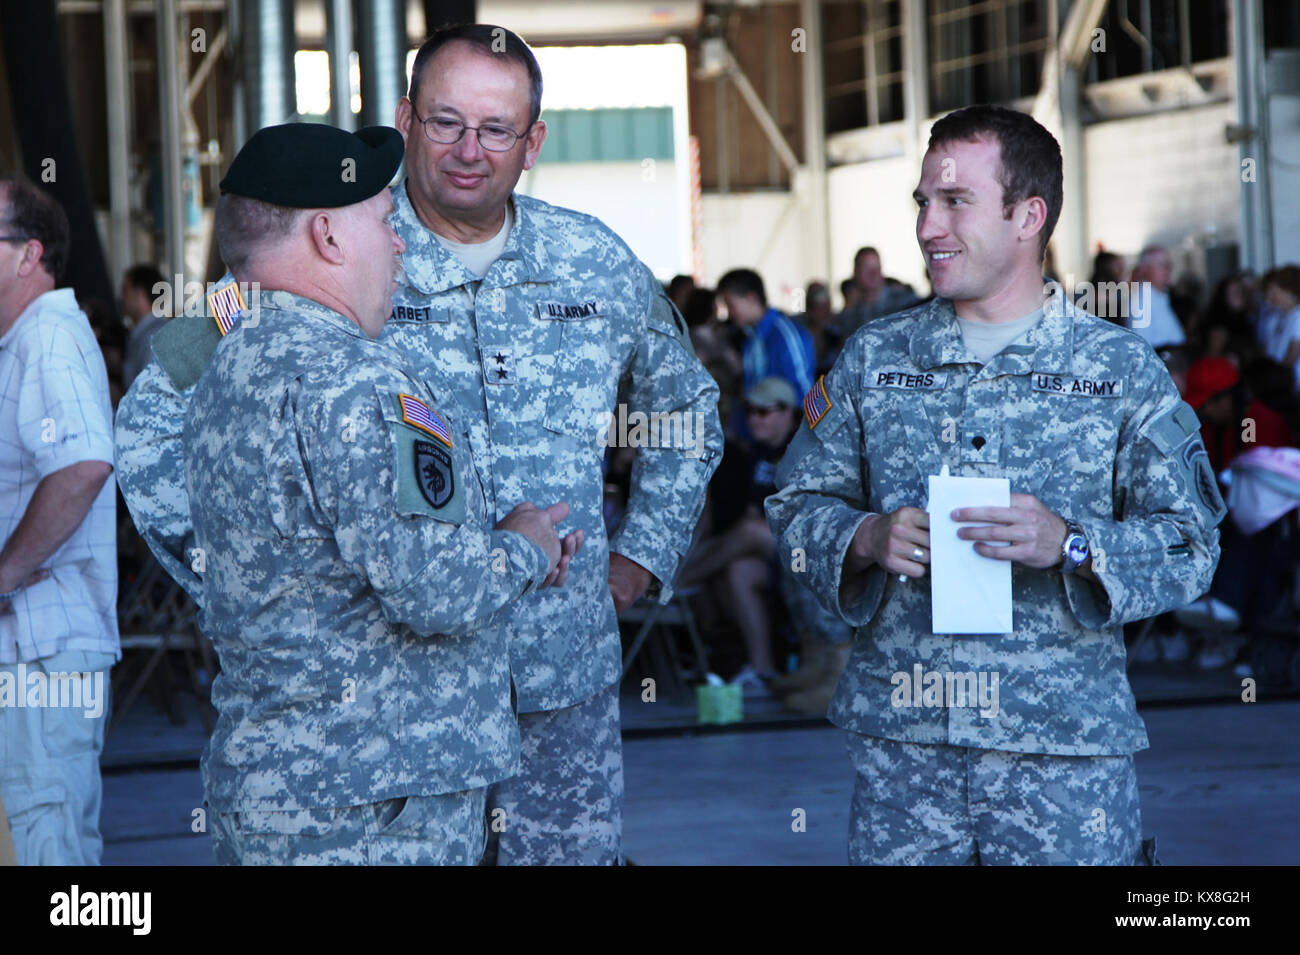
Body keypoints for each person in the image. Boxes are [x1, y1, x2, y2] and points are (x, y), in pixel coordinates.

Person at [767, 105, 1225, 865]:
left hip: (1064, 756)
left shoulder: (1117, 372)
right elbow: (792, 509)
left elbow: (1192, 541)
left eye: (955, 202)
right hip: (904, 756)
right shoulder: (873, 359)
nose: (927, 228)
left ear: (1028, 216)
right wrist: (864, 537)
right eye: (923, 202)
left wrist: (1073, 544)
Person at [183, 122, 582, 866]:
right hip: (375, 807)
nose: (398, 243)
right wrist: (526, 546)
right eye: (384, 220)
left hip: (275, 790)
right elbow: (439, 592)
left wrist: (481, 544)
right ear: (328, 236)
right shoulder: (357, 384)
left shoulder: (224, 370)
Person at [390, 24, 721, 865]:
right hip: (393, 695)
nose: (470, 150)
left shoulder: (592, 259)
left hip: (559, 682)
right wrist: (240, 591)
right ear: (404, 120)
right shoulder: (331, 249)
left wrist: (641, 555)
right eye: (445, 122)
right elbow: (158, 419)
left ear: (532, 142)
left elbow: (686, 406)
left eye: (496, 129)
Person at [0, 177, 118, 865]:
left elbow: (83, 466)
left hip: (40, 658)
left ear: (27, 255)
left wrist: (5, 574)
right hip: (31, 657)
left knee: (48, 859)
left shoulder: (46, 339)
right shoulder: (26, 341)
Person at [716, 267, 815, 406]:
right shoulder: (750, 336)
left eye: (731, 305)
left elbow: (804, 391)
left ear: (752, 298)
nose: (729, 314)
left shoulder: (785, 334)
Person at [832, 246, 920, 339]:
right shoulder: (851, 310)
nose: (874, 273)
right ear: (855, 272)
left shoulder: (904, 301)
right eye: (867, 267)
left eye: (877, 267)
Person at [1127, 244, 1186, 350]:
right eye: (1162, 265)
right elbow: (1141, 346)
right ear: (1145, 269)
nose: (1167, 270)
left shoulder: (1160, 295)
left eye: (1168, 265)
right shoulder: (1142, 301)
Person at [119, 264, 168, 387]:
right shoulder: (145, 335)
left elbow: (148, 391)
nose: (121, 298)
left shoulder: (154, 338)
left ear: (139, 294)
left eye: (125, 290)